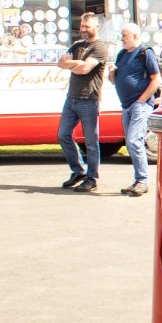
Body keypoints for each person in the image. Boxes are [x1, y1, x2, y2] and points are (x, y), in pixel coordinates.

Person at [107, 22, 162, 196]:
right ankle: (138, 179)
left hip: (140, 105)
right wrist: (112, 73)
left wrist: (141, 100)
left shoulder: (145, 53)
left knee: (134, 141)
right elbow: (114, 81)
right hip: (126, 105)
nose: (122, 39)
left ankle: (143, 181)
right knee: (131, 144)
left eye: (125, 36)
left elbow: (156, 80)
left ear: (135, 37)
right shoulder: (122, 54)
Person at [56, 12, 107, 191]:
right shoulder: (77, 44)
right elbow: (61, 63)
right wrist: (76, 64)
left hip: (89, 100)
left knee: (91, 142)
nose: (83, 30)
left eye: (87, 27)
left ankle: (92, 178)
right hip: (71, 99)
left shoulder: (100, 48)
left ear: (96, 27)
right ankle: (78, 171)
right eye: (82, 26)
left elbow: (85, 69)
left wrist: (76, 64)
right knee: (63, 135)